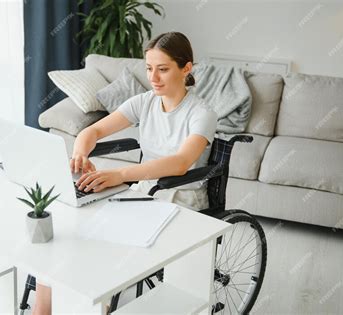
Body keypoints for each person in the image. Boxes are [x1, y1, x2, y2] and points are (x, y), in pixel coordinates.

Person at [31, 31, 218, 315]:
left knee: (104, 248)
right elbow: (92, 131)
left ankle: (97, 305)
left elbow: (181, 162)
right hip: (143, 192)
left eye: (163, 69)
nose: (153, 77)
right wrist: (80, 153)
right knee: (70, 240)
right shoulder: (145, 101)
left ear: (186, 68)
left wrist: (122, 175)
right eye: (149, 68)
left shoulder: (201, 113)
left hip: (179, 197)